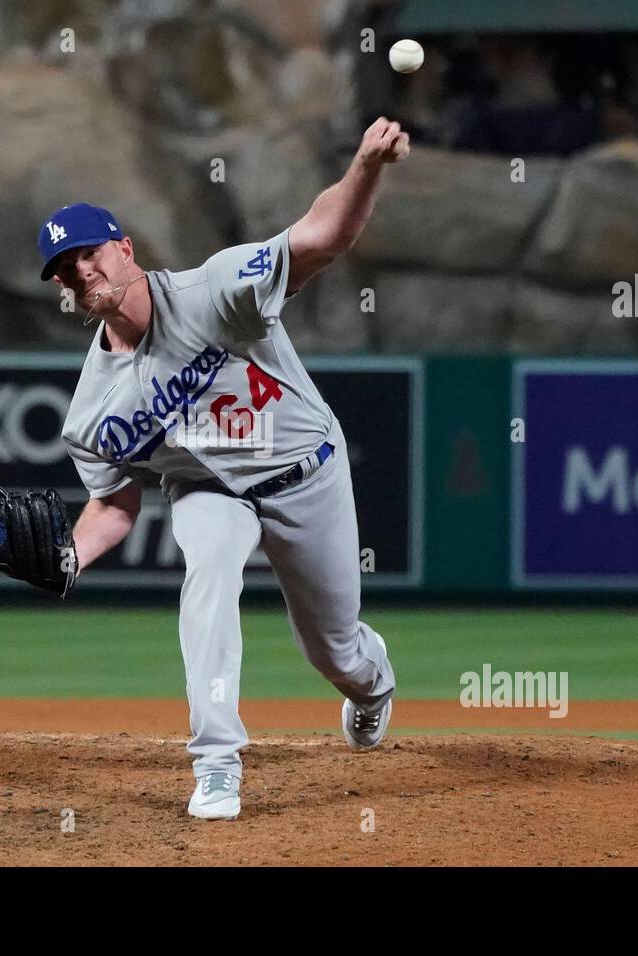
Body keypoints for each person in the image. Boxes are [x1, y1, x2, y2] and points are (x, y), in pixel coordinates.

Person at [40, 117, 409, 820]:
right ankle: (216, 767)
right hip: (208, 489)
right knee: (206, 575)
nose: (80, 271)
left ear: (124, 248)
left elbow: (324, 237)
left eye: (88, 254)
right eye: (65, 269)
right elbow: (116, 504)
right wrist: (69, 555)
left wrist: (366, 165)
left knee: (335, 652)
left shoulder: (214, 290)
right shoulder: (91, 412)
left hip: (308, 471)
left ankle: (370, 683)